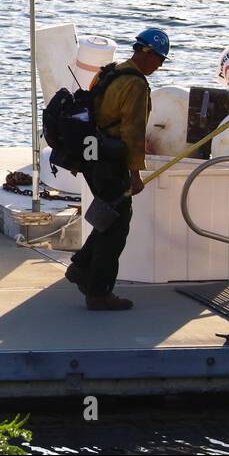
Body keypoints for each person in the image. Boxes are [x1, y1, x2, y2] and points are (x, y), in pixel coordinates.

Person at [66, 28, 168, 311]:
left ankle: (81, 268)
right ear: (147, 54)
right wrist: (136, 175)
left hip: (90, 154)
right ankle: (99, 292)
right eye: (159, 59)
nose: (159, 65)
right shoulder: (136, 85)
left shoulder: (109, 71)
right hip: (111, 161)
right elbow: (133, 133)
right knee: (117, 226)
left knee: (108, 216)